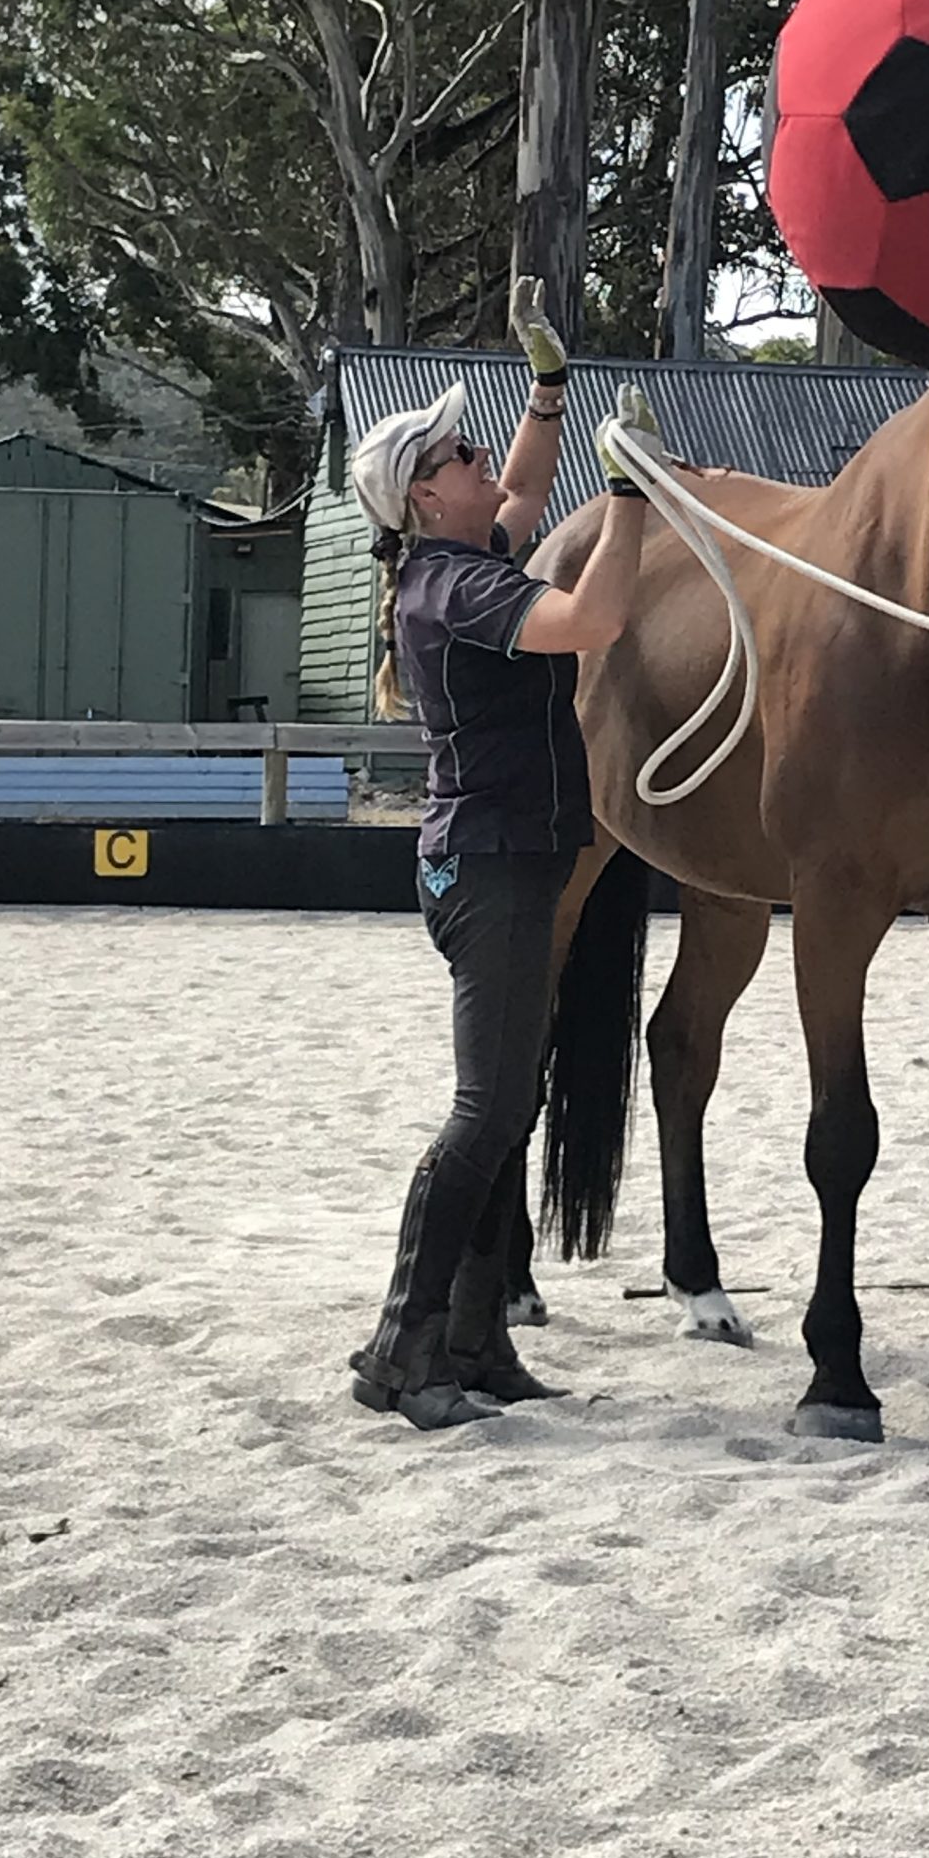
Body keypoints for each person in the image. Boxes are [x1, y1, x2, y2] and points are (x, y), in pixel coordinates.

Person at [344, 278, 664, 1430]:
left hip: (496, 855)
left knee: (508, 1106)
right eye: (465, 455)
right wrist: (628, 494)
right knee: (486, 1113)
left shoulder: (454, 558)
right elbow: (594, 621)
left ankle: (474, 1340)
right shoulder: (459, 585)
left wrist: (548, 387)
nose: (491, 465)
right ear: (428, 493)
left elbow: (527, 484)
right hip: (495, 864)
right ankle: (403, 1341)